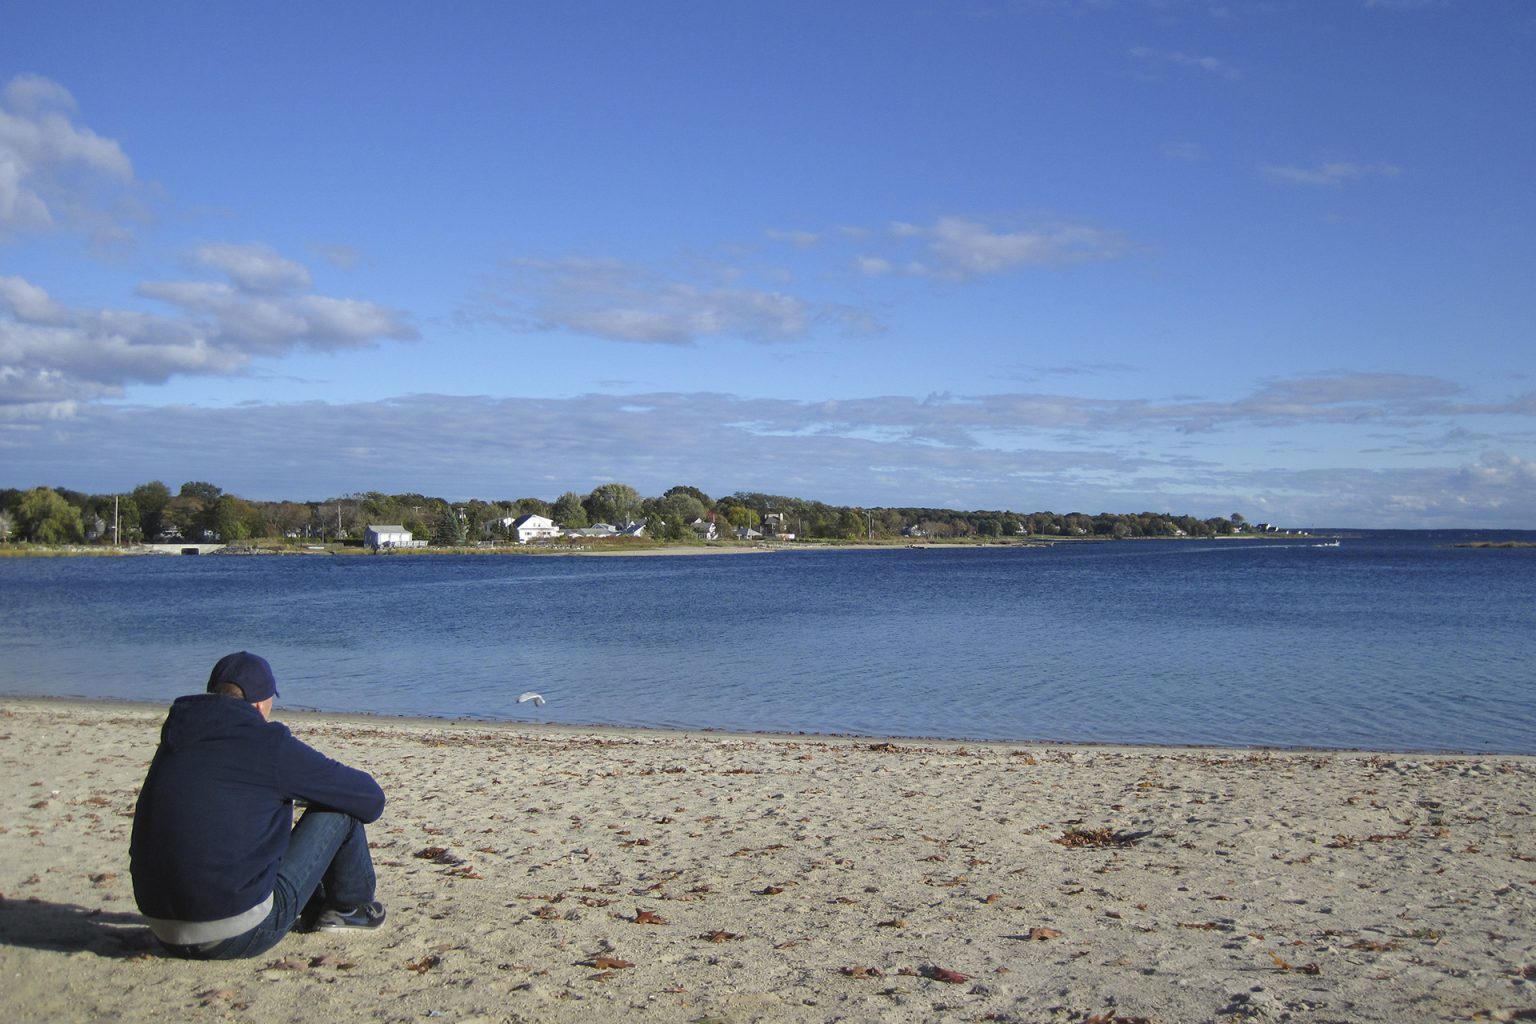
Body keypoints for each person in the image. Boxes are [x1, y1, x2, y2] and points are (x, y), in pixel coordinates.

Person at [130, 651, 387, 959]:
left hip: (163, 927)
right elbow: (369, 799)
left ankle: (320, 903)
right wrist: (307, 791)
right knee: (341, 808)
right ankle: (350, 908)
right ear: (258, 704)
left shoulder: (177, 738)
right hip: (237, 931)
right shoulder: (265, 743)